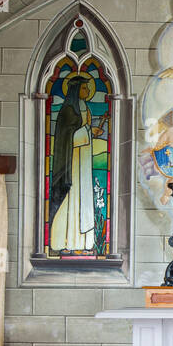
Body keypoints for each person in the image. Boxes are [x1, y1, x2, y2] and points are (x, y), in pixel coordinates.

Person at [50, 77, 107, 252]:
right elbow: (68, 137)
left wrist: (91, 131)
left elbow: (82, 133)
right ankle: (65, 242)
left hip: (84, 160)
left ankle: (84, 243)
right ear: (75, 90)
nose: (87, 91)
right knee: (73, 198)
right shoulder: (68, 111)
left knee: (84, 199)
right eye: (84, 88)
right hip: (72, 162)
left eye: (88, 88)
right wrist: (89, 130)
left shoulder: (85, 107)